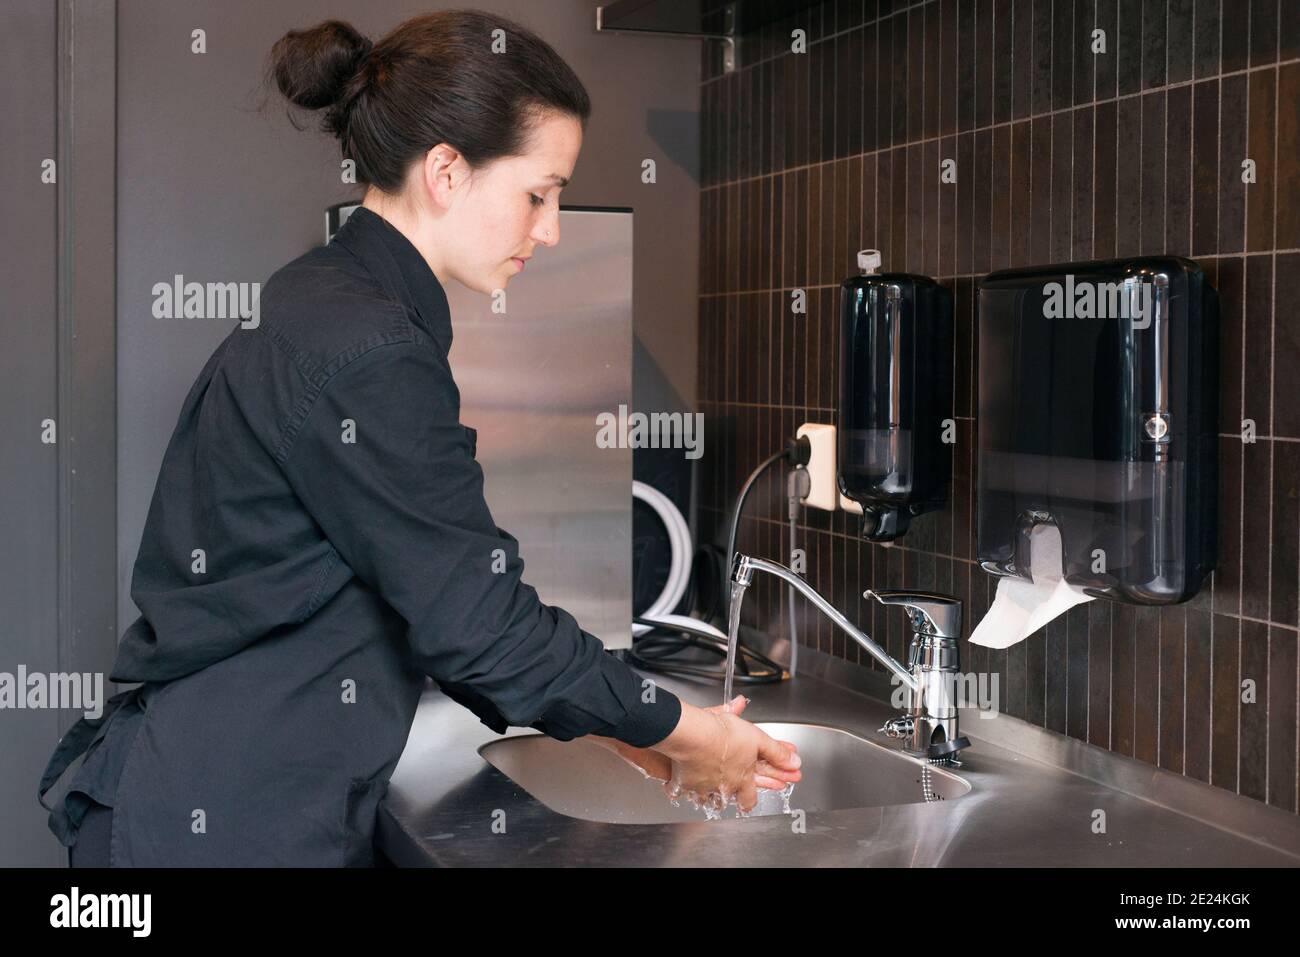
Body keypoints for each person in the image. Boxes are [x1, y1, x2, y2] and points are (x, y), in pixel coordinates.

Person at [39, 10, 800, 868]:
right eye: (539, 194)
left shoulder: (332, 299)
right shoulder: (370, 348)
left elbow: (431, 602)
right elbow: (476, 619)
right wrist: (683, 727)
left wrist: (628, 733)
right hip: (225, 822)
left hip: (206, 797)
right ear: (446, 171)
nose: (551, 228)